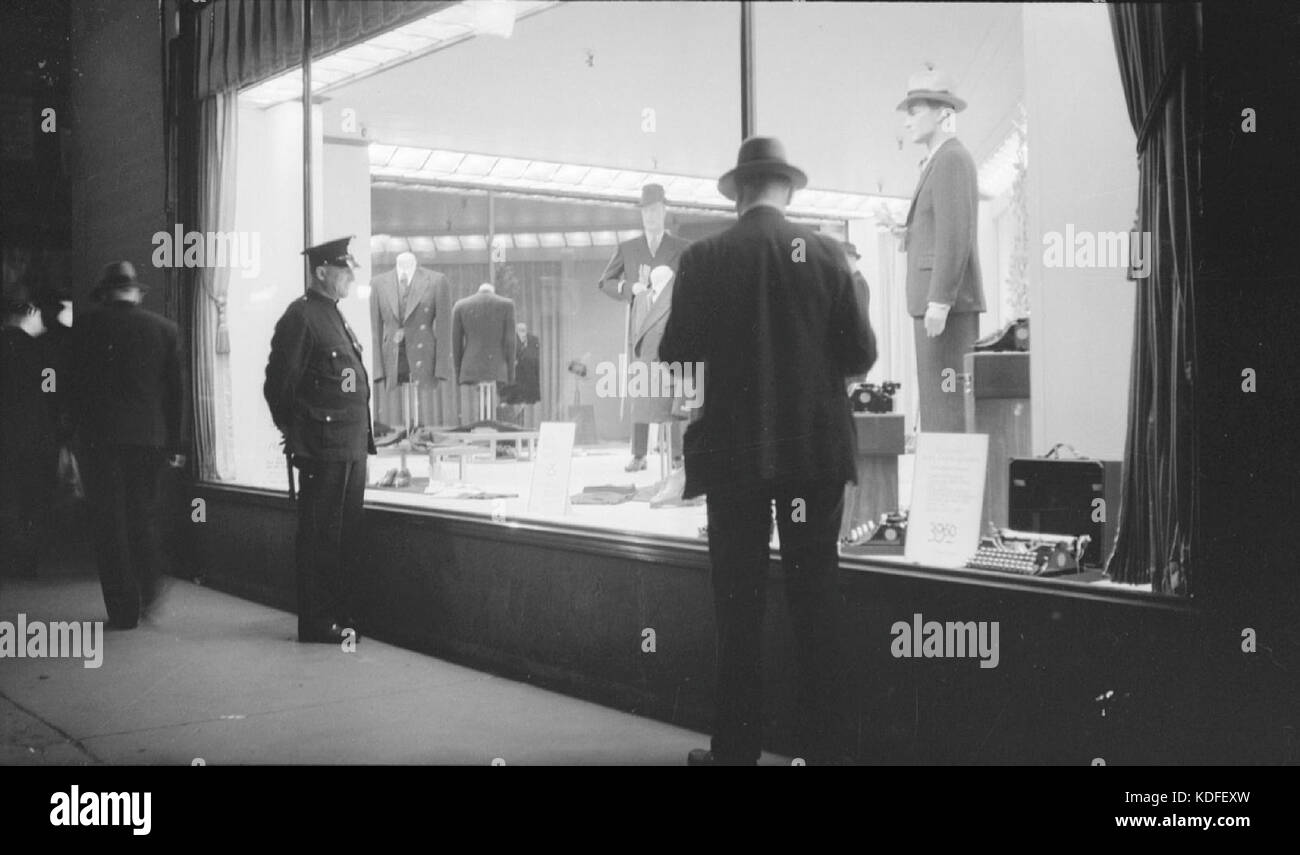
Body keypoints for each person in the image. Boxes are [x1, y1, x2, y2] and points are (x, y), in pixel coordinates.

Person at [659, 136, 877, 765]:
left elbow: (676, 354)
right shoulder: (829, 256)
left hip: (733, 460)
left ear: (739, 194)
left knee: (738, 606)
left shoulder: (702, 259)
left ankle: (735, 754)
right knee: (816, 602)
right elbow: (860, 355)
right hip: (812, 454)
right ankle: (824, 753)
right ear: (786, 189)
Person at [264, 237, 375, 644]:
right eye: (343, 270)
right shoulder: (302, 316)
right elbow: (279, 385)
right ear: (322, 272)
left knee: (344, 536)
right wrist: (297, 433)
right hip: (323, 448)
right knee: (320, 537)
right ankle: (316, 621)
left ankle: (339, 615)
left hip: (349, 446)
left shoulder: (332, 316)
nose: (349, 277)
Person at [68, 262, 185, 627]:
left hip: (98, 441)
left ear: (105, 294)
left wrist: (68, 439)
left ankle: (122, 609)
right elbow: (175, 394)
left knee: (108, 521)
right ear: (135, 293)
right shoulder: (165, 330)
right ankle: (150, 589)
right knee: (143, 514)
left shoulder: (84, 329)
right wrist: (175, 443)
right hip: (149, 440)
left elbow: (72, 389)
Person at [894, 66, 985, 432]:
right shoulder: (940, 161)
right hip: (937, 304)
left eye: (915, 110)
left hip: (944, 307)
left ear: (943, 112)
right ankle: (945, 487)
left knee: (946, 413)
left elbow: (956, 233)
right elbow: (939, 230)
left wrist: (940, 300)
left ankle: (951, 489)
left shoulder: (951, 159)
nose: (907, 121)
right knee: (939, 411)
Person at [597, 183, 690, 471]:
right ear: (641, 214)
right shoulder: (628, 248)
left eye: (655, 209)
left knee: (671, 388)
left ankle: (676, 454)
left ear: (665, 210)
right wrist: (629, 287)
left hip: (672, 326)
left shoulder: (681, 247)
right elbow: (605, 282)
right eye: (646, 211)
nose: (650, 215)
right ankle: (639, 453)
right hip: (640, 329)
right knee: (641, 387)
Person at [0, 285, 58, 578]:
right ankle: (26, 562)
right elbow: (51, 393)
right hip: (35, 434)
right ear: (30, 312)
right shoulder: (40, 350)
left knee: (7, 497)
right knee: (31, 500)